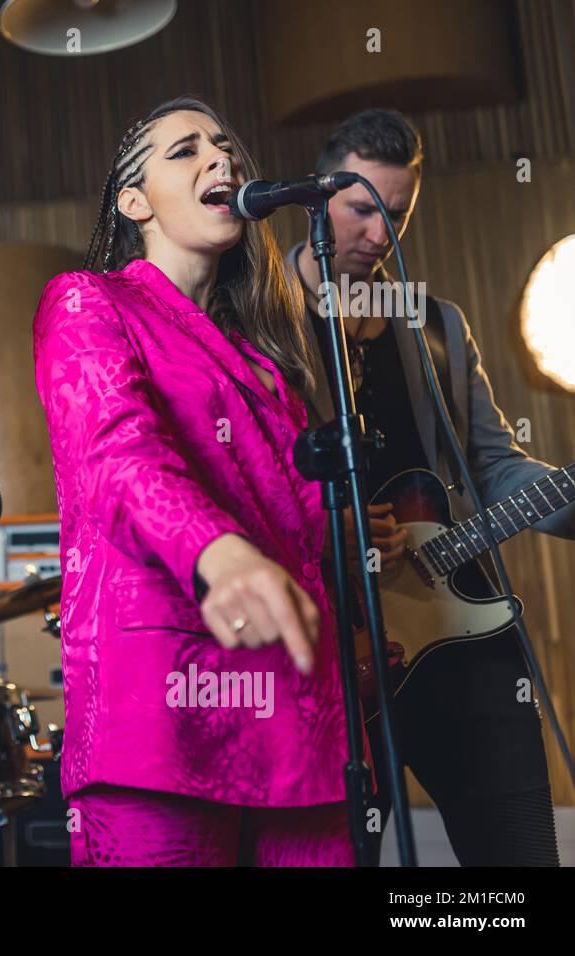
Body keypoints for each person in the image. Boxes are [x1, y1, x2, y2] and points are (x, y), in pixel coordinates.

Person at [33, 96, 353, 867]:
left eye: (224, 146)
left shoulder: (270, 363)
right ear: (133, 202)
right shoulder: (88, 301)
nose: (222, 159)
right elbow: (118, 451)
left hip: (302, 713)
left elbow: (300, 529)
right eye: (185, 151)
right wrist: (223, 552)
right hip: (161, 707)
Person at [292, 108, 570, 865]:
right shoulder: (259, 323)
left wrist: (563, 494)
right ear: (315, 200)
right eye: (359, 210)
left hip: (465, 633)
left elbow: (494, 464)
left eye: (396, 213)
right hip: (333, 651)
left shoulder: (437, 325)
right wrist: (328, 529)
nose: (379, 236)